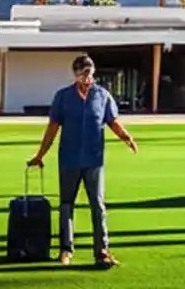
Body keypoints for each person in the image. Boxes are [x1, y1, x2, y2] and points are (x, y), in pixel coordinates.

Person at [28, 55, 138, 268]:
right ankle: (66, 249)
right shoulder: (63, 97)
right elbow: (52, 128)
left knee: (97, 205)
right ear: (75, 74)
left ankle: (102, 251)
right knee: (67, 205)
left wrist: (127, 138)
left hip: (94, 160)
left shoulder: (102, 96)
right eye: (82, 73)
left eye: (89, 73)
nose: (87, 78)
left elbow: (112, 122)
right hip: (69, 159)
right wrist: (40, 155)